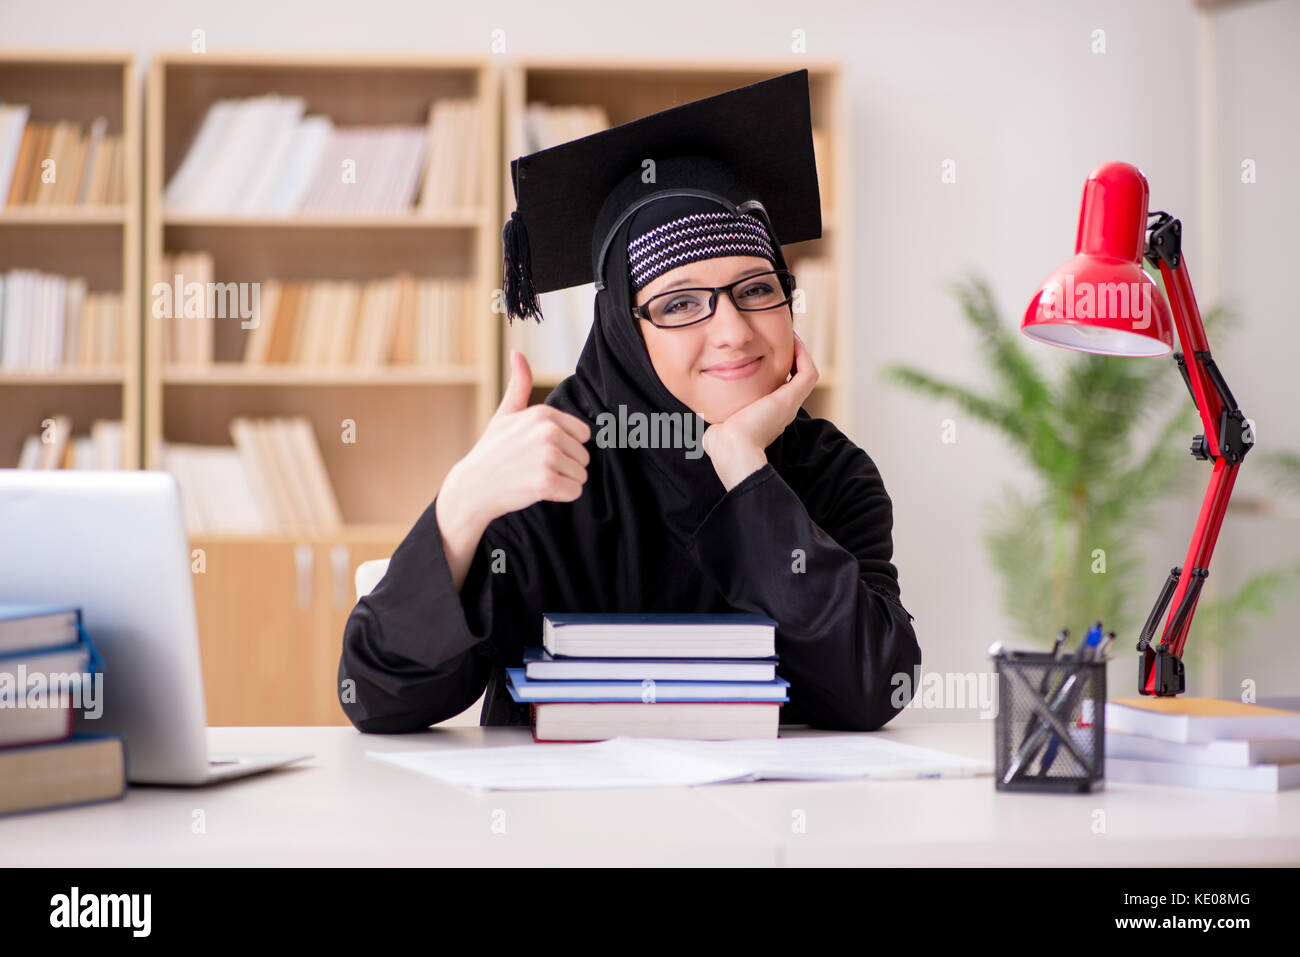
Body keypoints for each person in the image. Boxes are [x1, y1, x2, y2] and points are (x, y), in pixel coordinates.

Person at [338, 70, 920, 732]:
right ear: (623, 327)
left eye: (758, 289)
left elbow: (877, 685)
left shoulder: (831, 473)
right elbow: (379, 697)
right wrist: (462, 505)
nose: (733, 330)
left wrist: (744, 472)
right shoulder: (547, 468)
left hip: (765, 822)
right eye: (679, 303)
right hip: (563, 827)